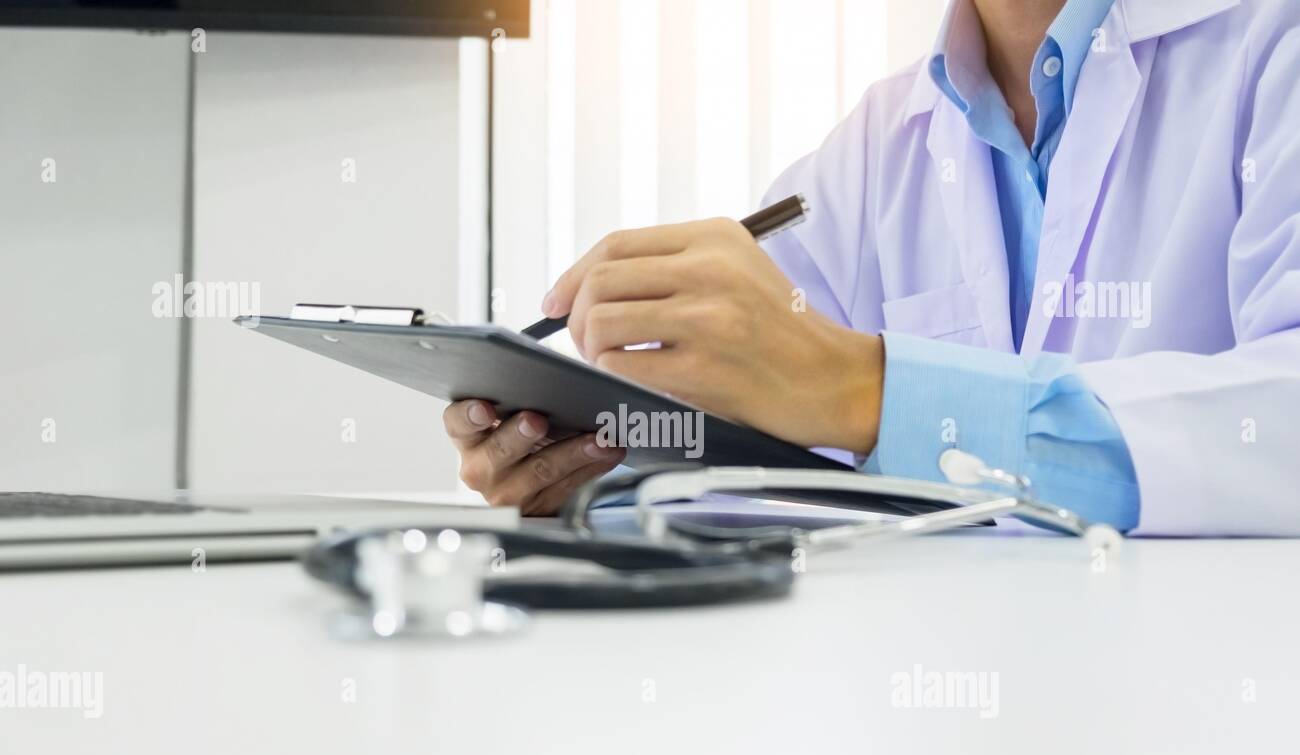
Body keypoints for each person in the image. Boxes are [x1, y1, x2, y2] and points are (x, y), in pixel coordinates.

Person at [444, 0, 1300, 534]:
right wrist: (599, 457)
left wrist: (873, 391)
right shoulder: (885, 136)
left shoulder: (1274, 45)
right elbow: (763, 437)